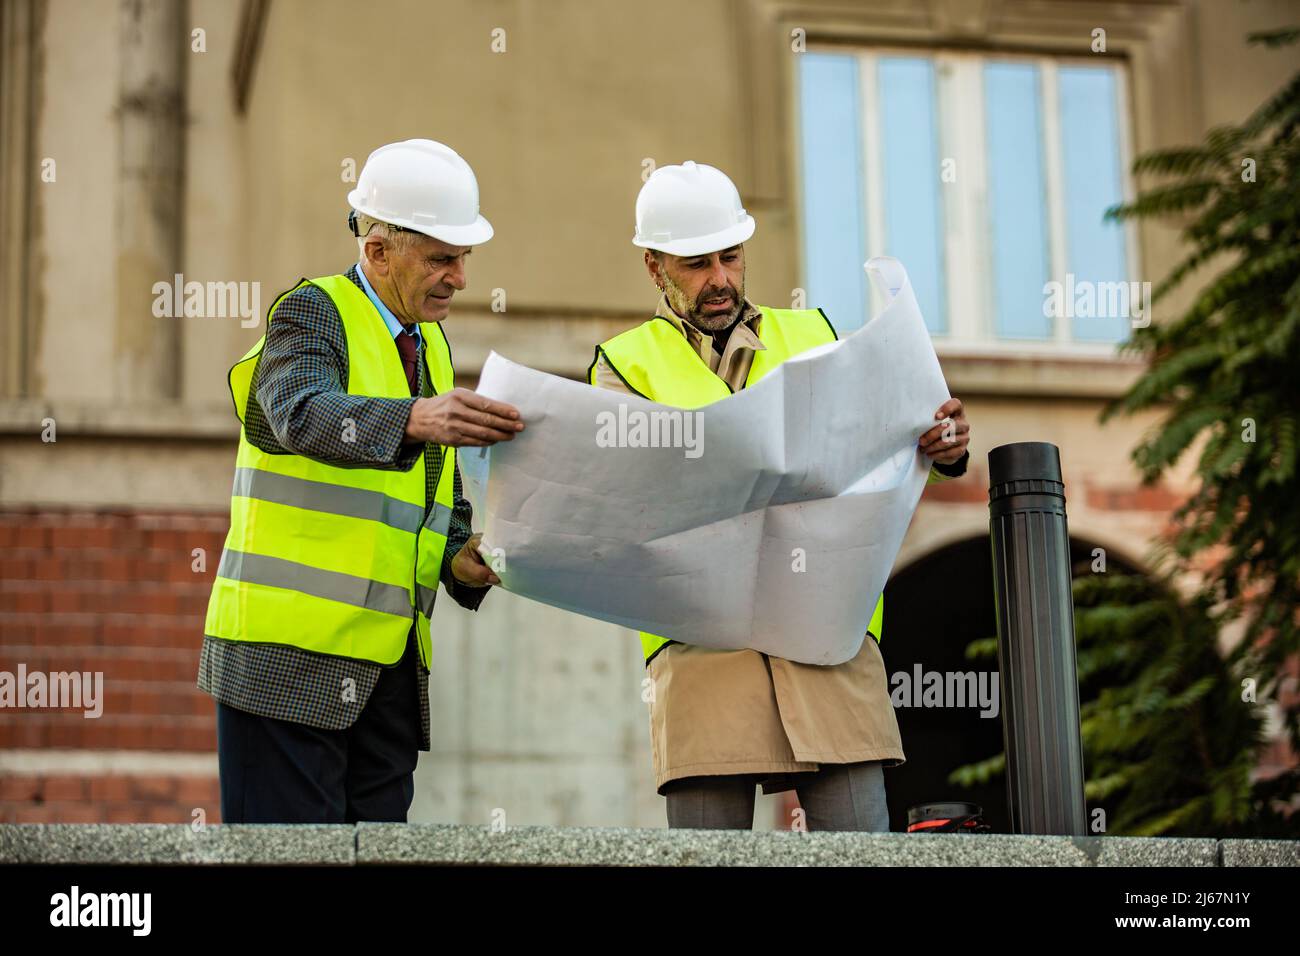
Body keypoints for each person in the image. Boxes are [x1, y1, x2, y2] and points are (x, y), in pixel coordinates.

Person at [588, 161, 972, 831]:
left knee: (860, 852)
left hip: (828, 634)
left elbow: (891, 438)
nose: (721, 279)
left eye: (731, 257)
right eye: (696, 263)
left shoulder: (816, 336)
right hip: (705, 642)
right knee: (711, 858)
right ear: (655, 267)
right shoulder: (624, 365)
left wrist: (944, 443)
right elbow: (622, 504)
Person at [199, 139, 524, 823]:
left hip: (387, 677)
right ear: (378, 251)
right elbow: (298, 414)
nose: (461, 278)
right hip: (286, 664)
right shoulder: (311, 312)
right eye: (443, 258)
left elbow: (428, 502)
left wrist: (458, 562)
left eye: (464, 259)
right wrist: (417, 417)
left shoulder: (428, 341)